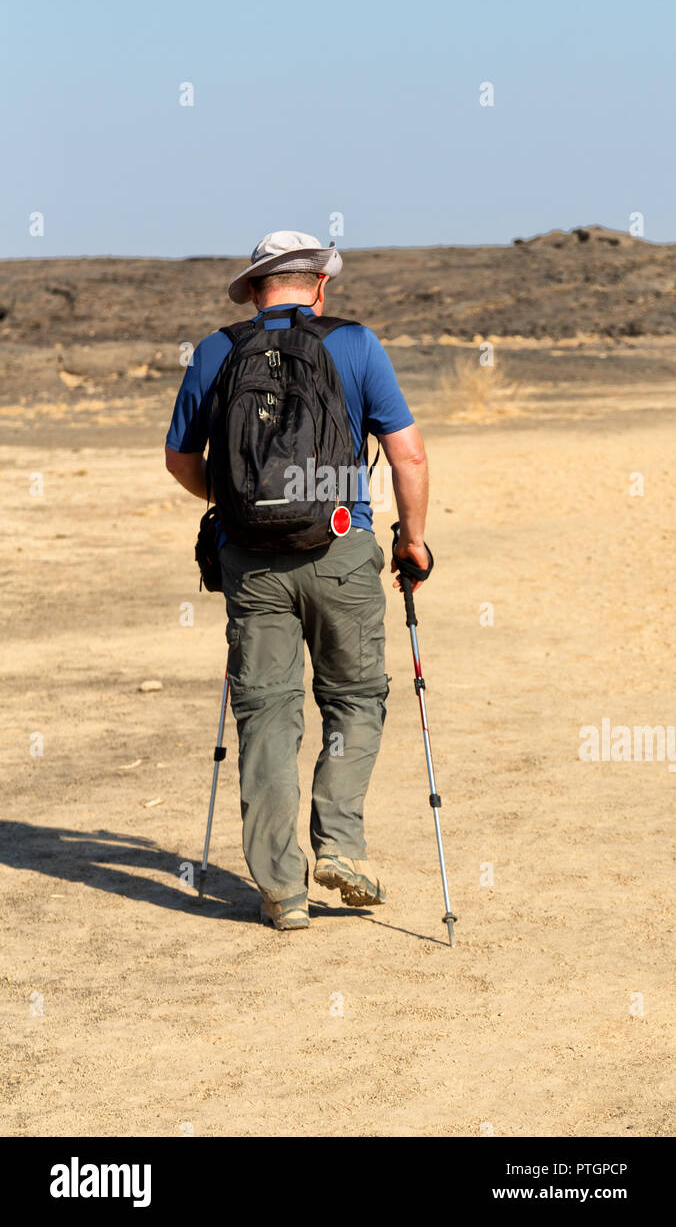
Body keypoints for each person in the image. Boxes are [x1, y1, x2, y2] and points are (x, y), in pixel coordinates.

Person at [165, 231, 430, 931]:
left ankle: (282, 891)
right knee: (354, 698)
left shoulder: (217, 351)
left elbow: (179, 460)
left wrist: (235, 503)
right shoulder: (356, 344)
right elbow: (407, 455)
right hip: (341, 547)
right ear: (319, 285)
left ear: (254, 289)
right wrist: (412, 540)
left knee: (267, 717)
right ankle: (339, 842)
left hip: (249, 558)